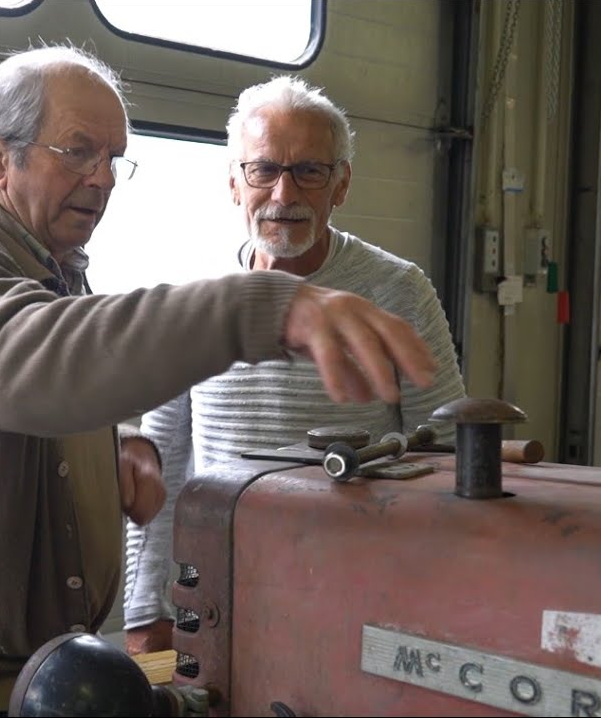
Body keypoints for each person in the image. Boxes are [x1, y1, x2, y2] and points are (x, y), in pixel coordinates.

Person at [0, 45, 437, 717]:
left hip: (28, 674)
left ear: (340, 184)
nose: (103, 179)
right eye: (78, 152)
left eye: (113, 158)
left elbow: (34, 395)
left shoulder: (51, 266)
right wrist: (258, 308)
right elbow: (38, 367)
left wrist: (110, 446)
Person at [122, 75, 469, 655]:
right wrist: (145, 609)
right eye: (263, 170)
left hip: (357, 589)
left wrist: (424, 597)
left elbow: (444, 450)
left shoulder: (399, 290)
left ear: (341, 185)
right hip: (218, 583)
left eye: (309, 170)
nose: (284, 195)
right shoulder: (192, 294)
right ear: (234, 183)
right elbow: (163, 461)